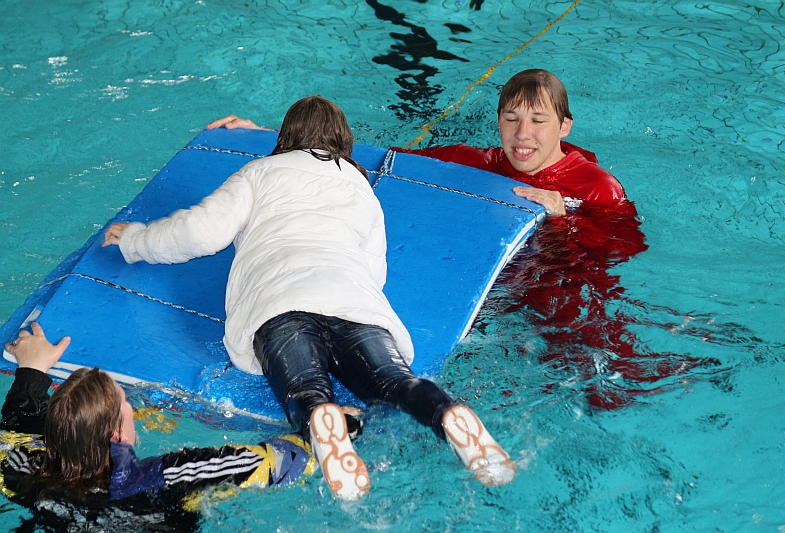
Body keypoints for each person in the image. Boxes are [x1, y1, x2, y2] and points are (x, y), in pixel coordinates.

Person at [103, 96, 516, 500]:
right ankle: (445, 412)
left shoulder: (258, 173)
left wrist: (136, 240)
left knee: (305, 388)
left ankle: (321, 414)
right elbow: (375, 271)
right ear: (344, 141)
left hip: (279, 304)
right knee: (394, 381)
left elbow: (198, 232)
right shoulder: (361, 187)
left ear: (284, 137)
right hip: (355, 301)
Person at [206, 71, 692, 410]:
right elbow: (378, 160)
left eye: (538, 121)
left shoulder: (595, 184)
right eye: (511, 119)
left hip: (566, 277)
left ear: (564, 127)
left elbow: (625, 249)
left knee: (595, 371)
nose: (522, 135)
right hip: (497, 285)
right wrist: (275, 138)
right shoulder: (474, 163)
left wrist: (566, 218)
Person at [1, 322, 314, 532]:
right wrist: (329, 426)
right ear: (118, 436)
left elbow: (13, 428)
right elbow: (275, 463)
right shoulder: (162, 477)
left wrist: (30, 369)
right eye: (128, 407)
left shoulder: (24, 470)